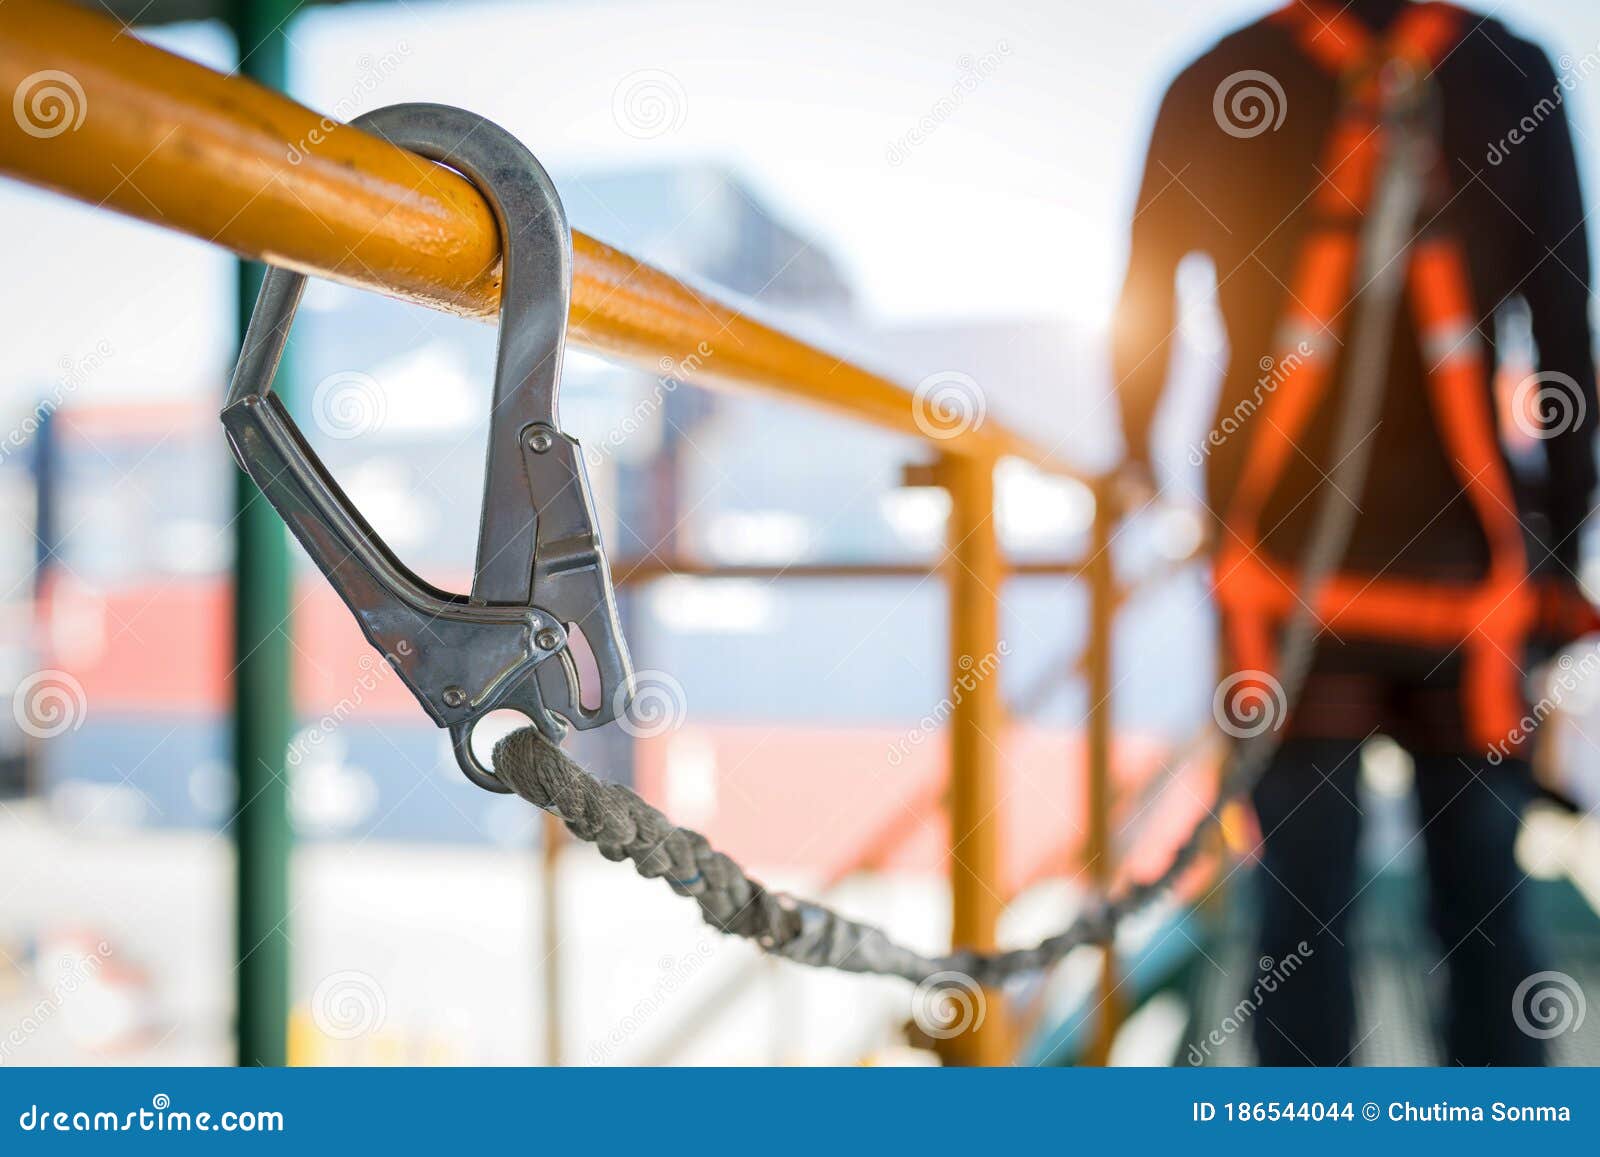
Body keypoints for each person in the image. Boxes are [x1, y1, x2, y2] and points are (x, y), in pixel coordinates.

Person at [1112, 0, 1596, 1065]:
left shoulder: (1215, 78)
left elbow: (1142, 305)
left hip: (1281, 577)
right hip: (1467, 582)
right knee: (1483, 906)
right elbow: (1564, 323)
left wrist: (1139, 464)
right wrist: (1563, 555)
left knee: (1297, 912)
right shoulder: (1508, 73)